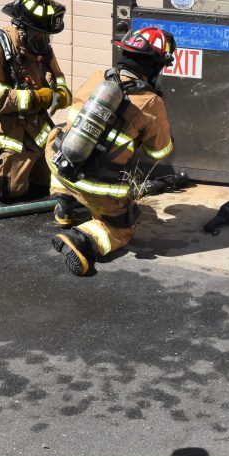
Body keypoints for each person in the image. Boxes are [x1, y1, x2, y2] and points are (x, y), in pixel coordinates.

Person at [46, 27, 176, 276]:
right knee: (121, 227)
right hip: (94, 184)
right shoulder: (150, 101)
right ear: (154, 66)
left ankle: (63, 202)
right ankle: (81, 240)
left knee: (60, 133)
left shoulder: (98, 77)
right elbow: (159, 152)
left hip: (58, 163)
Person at [0, 0, 71, 201]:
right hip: (5, 128)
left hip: (35, 129)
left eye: (47, 35)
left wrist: (60, 94)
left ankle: (29, 161)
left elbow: (57, 78)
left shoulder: (40, 48)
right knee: (8, 191)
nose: (45, 40)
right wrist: (36, 98)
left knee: (56, 181)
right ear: (22, 29)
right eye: (39, 35)